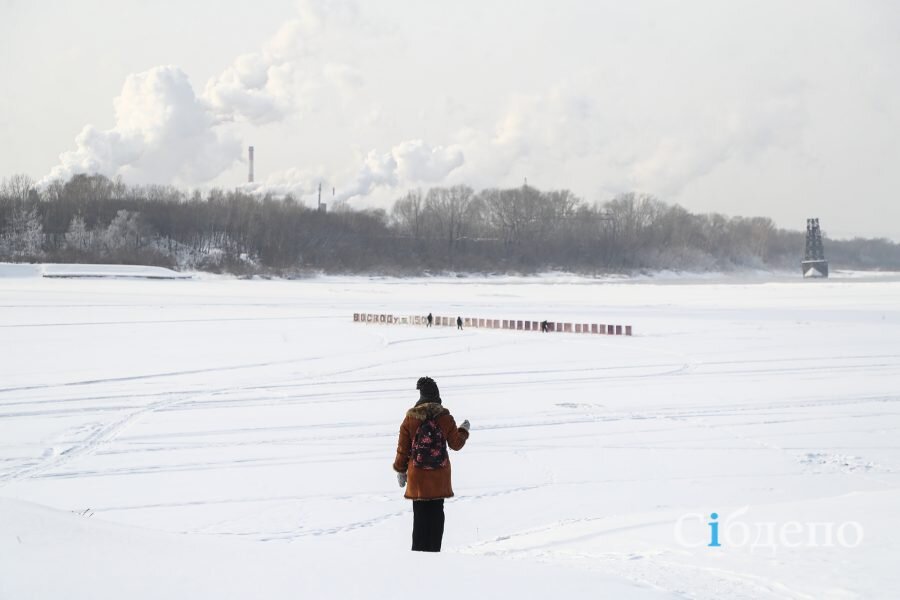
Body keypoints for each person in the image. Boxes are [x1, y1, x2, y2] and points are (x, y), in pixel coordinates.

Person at [393, 376, 470, 552]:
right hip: (439, 476)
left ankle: (418, 555)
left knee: (419, 516)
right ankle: (435, 554)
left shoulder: (410, 419)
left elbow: (402, 450)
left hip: (417, 476)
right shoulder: (445, 417)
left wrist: (400, 470)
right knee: (436, 514)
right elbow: (456, 444)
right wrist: (464, 430)